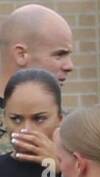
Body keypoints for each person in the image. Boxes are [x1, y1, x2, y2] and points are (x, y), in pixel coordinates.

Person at [0, 4, 74, 158]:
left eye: (40, 119)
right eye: (59, 55)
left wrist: (62, 166)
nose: (69, 66)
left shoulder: (73, 129)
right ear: (21, 55)